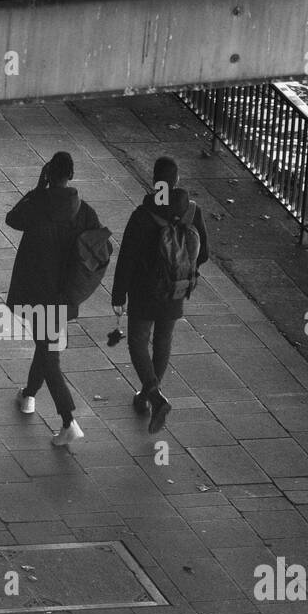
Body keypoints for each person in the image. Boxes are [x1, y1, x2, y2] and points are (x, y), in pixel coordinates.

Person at [5, 151, 101, 446]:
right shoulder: (84, 212)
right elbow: (97, 247)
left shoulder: (37, 204)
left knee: (49, 355)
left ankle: (68, 419)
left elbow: (12, 219)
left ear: (50, 173)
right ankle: (29, 396)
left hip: (36, 292)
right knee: (46, 347)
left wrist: (36, 189)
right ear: (71, 175)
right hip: (65, 294)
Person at [111, 155, 209, 433]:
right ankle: (146, 397)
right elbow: (205, 254)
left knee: (138, 341)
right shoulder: (192, 212)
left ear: (154, 182)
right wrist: (182, 268)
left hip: (144, 291)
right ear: (176, 181)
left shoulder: (142, 216)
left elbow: (127, 259)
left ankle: (154, 396)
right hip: (176, 290)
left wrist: (118, 295)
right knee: (163, 340)